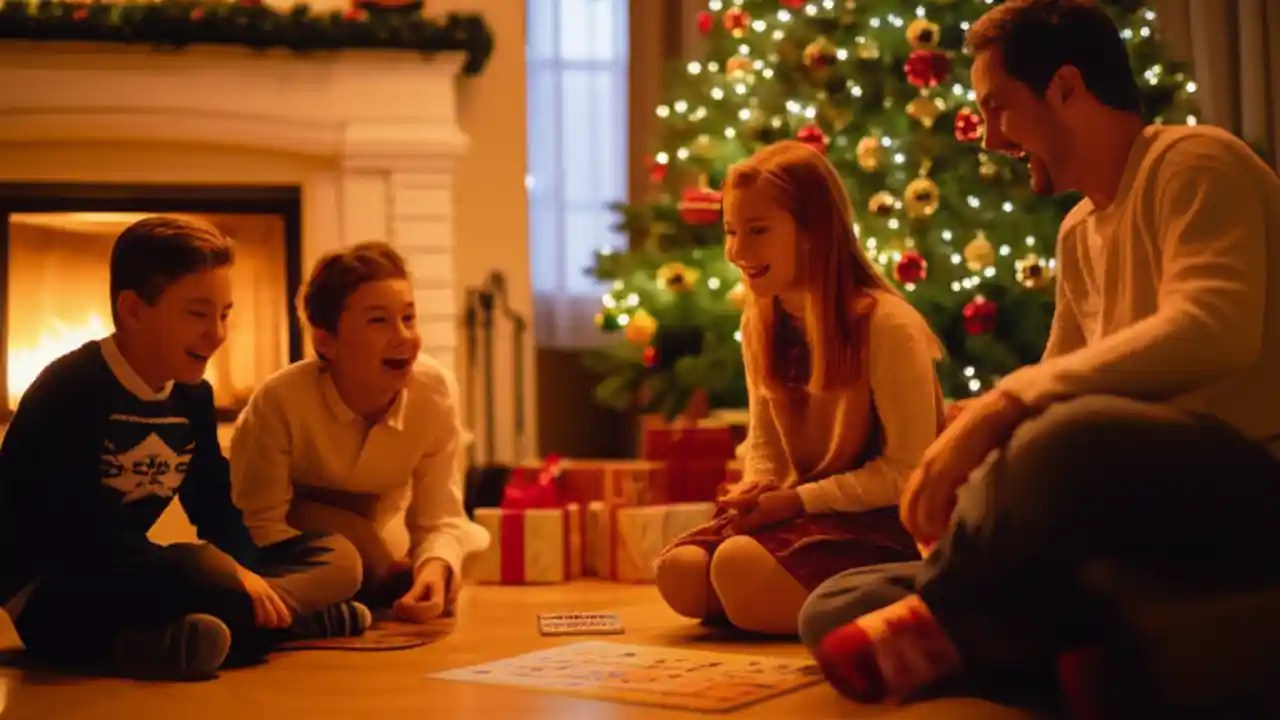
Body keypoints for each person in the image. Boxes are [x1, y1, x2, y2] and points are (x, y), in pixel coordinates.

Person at [800, 0, 1280, 704]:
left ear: (1065, 88)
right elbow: (1056, 373)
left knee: (1066, 437)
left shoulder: (1195, 160)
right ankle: (1075, 655)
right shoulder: (1080, 230)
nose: (990, 138)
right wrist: (972, 432)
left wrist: (1007, 407)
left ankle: (993, 634)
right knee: (835, 602)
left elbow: (1213, 327)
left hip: (1245, 476)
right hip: (1132, 523)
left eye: (998, 109)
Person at [0, 216, 369, 681]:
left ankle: (192, 637)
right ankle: (289, 623)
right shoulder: (72, 389)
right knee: (197, 569)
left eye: (225, 314)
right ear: (133, 310)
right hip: (54, 590)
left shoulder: (190, 396)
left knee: (340, 559)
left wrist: (244, 570)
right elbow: (78, 537)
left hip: (144, 577)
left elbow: (213, 504)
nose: (217, 334)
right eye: (198, 314)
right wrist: (211, 568)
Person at [653, 140, 947, 635]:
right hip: (801, 508)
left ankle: (901, 594)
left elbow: (906, 471)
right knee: (680, 574)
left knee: (737, 571)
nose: (738, 252)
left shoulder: (887, 326)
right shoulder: (761, 320)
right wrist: (757, 487)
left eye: (758, 231)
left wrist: (797, 502)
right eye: (731, 231)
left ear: (813, 231)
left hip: (876, 519)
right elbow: (765, 442)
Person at [230, 241, 489, 624]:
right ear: (325, 341)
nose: (404, 336)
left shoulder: (433, 392)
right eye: (378, 320)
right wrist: (340, 555)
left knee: (471, 543)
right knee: (344, 552)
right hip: (295, 541)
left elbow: (439, 516)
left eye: (409, 317)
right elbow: (260, 526)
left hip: (384, 531)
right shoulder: (281, 400)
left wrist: (433, 571)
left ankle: (359, 598)